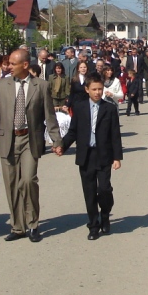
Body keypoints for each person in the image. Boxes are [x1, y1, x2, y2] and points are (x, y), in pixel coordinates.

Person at [0, 49, 61, 243]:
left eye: (13, 64)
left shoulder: (41, 85)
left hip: (29, 140)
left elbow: (49, 116)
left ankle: (33, 224)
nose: (8, 67)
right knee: (12, 184)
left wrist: (56, 141)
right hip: (9, 140)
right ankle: (18, 227)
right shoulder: (1, 85)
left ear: (24, 65)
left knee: (28, 180)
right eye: (8, 64)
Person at [55, 74, 123, 240]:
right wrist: (62, 146)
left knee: (104, 189)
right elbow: (73, 131)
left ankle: (105, 214)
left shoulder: (110, 109)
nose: (97, 92)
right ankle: (93, 225)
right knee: (90, 192)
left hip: (104, 155)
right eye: (94, 89)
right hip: (86, 155)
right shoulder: (79, 107)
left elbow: (115, 134)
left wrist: (117, 157)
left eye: (100, 89)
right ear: (87, 90)